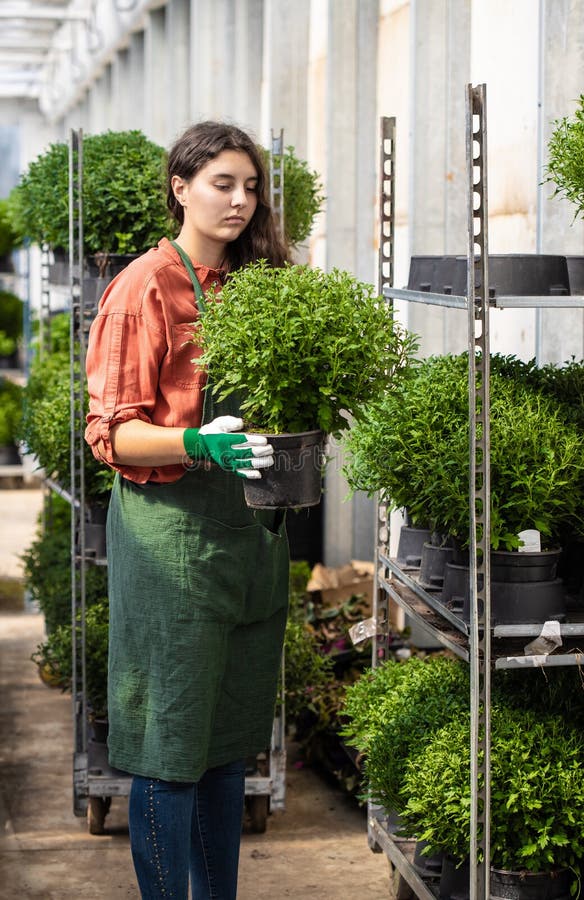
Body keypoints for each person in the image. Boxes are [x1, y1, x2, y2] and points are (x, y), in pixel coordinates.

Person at [85, 120, 291, 900]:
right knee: (171, 747)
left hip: (248, 539)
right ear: (181, 187)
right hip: (171, 541)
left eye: (251, 186)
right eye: (222, 184)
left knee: (226, 745)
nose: (240, 201)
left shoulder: (260, 287)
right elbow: (109, 433)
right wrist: (197, 444)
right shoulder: (143, 289)